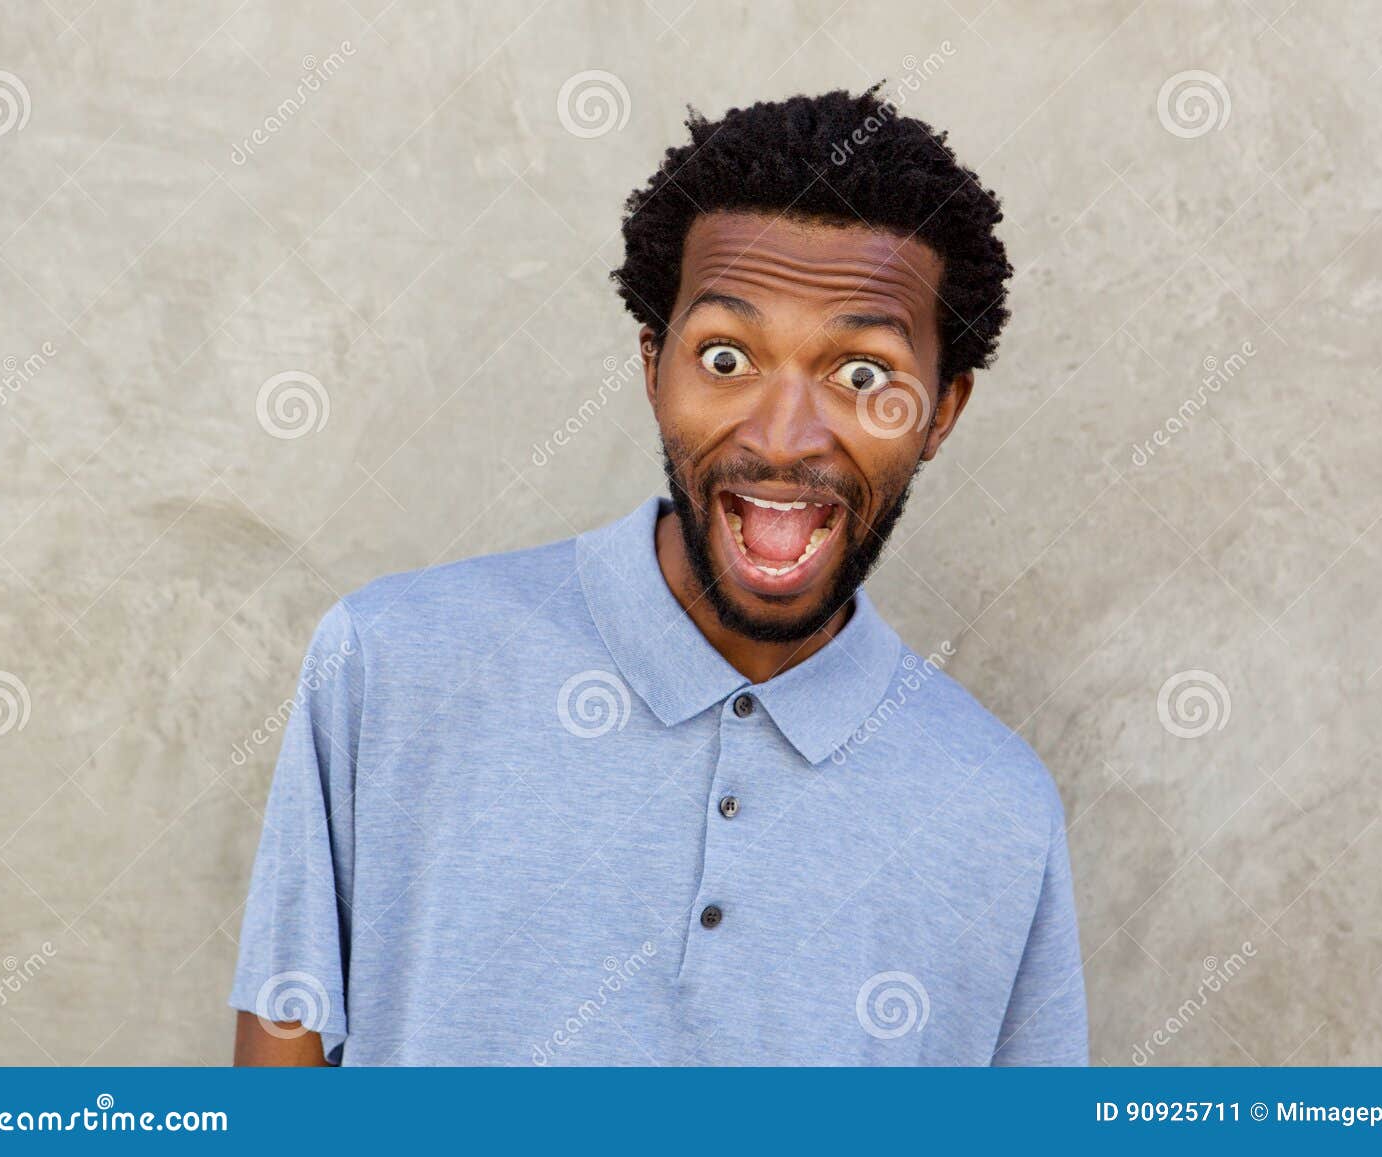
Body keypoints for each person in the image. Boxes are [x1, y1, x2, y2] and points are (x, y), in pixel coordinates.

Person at [229, 87, 1087, 1066]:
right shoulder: (392, 663)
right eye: (725, 356)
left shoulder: (998, 810)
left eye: (861, 375)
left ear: (941, 411)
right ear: (653, 367)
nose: (780, 435)